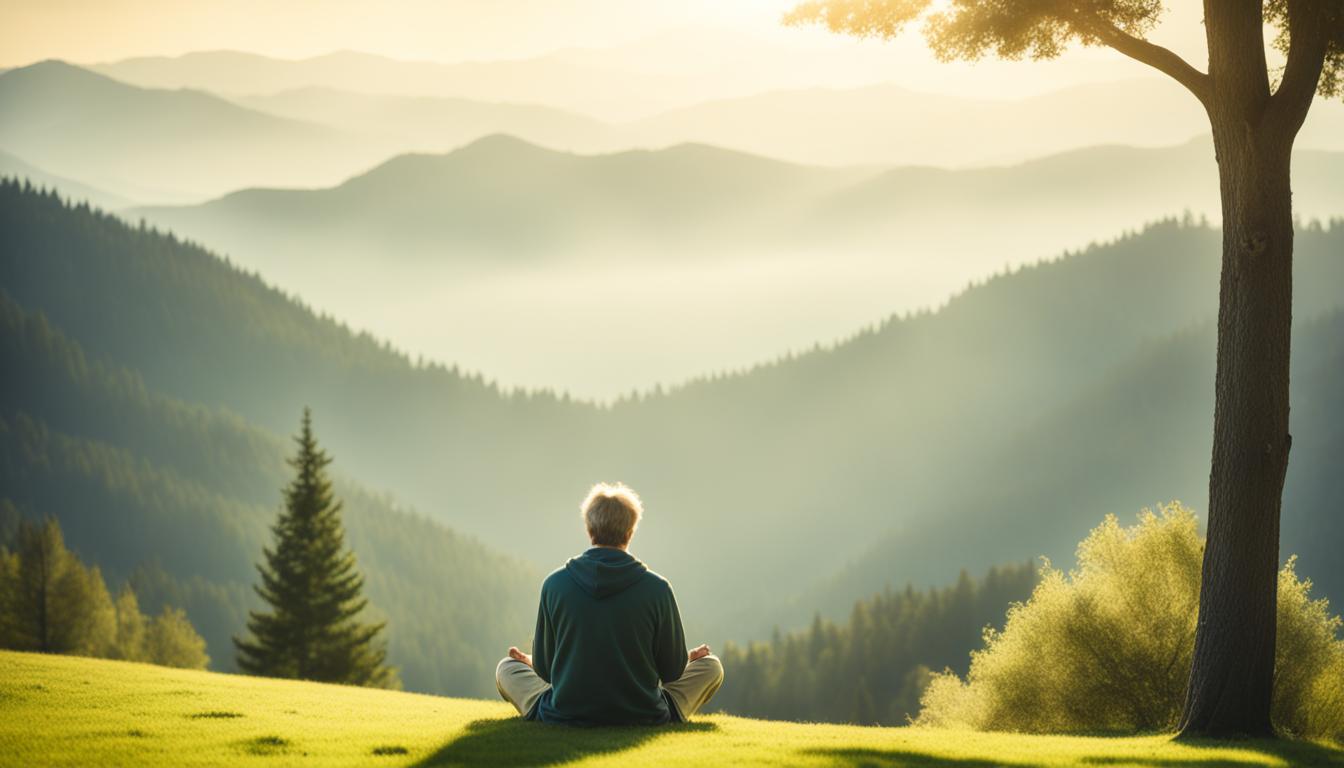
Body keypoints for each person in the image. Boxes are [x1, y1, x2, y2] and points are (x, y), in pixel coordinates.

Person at [496, 482, 724, 725]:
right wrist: (687, 658)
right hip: (643, 714)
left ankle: (546, 711)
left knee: (507, 668)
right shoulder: (658, 588)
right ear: (630, 531)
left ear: (589, 529)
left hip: (566, 712)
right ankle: (665, 716)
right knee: (711, 666)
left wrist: (529, 660)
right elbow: (671, 672)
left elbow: (545, 669)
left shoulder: (554, 584)